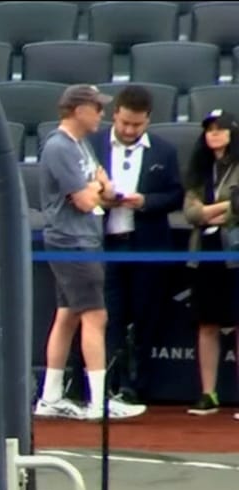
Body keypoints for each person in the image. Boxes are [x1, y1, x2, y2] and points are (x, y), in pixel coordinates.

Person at [35, 84, 145, 421]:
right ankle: (98, 402)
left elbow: (106, 189)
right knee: (96, 317)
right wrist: (97, 188)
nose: (101, 113)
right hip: (71, 241)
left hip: (83, 239)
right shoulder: (59, 146)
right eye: (96, 107)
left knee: (68, 316)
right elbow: (86, 199)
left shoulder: (80, 145)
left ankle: (50, 398)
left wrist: (98, 188)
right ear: (77, 109)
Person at [91, 85, 184, 405]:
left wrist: (144, 201)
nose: (130, 130)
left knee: (146, 317)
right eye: (125, 123)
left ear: (148, 120)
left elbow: (175, 195)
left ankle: (136, 386)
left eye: (137, 124)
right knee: (108, 317)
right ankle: (108, 384)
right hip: (106, 245)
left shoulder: (164, 151)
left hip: (149, 246)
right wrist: (100, 198)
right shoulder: (92, 145)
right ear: (115, 114)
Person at [181, 109, 239, 417]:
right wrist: (222, 207)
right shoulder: (200, 170)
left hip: (235, 251)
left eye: (220, 129)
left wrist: (210, 210)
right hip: (204, 251)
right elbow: (190, 213)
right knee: (207, 323)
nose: (214, 134)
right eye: (209, 129)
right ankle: (208, 393)